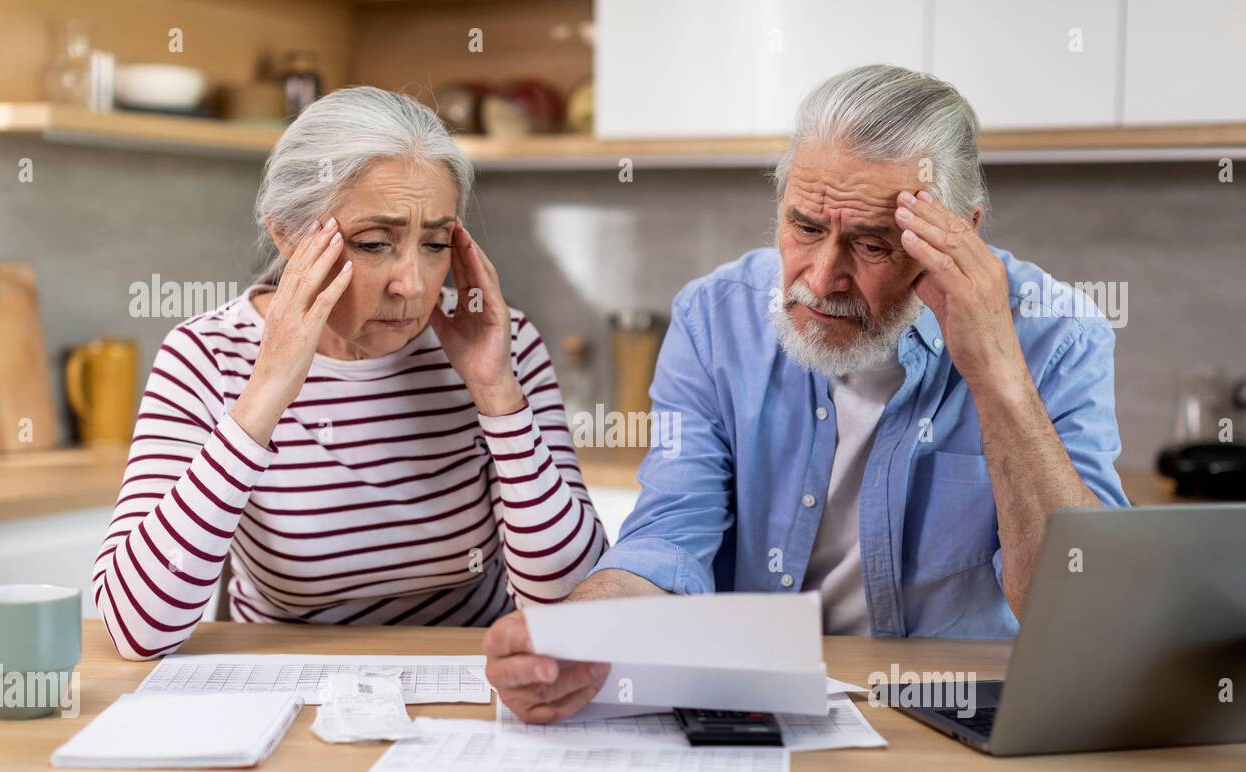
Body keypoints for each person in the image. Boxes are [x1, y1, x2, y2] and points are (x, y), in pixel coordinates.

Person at [484, 64, 1129, 723]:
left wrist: (997, 375)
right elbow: (672, 539)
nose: (822, 279)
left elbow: (1080, 610)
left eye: (872, 244)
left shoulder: (1057, 336)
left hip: (960, 718)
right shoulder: (714, 321)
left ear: (957, 234)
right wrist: (576, 632)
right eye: (806, 227)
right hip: (758, 709)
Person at [94, 86, 605, 659]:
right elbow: (136, 629)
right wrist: (266, 390)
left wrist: (496, 394)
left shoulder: (503, 348)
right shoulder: (206, 356)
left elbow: (568, 608)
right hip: (277, 689)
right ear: (289, 237)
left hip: (466, 684)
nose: (411, 283)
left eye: (435, 243)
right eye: (373, 243)